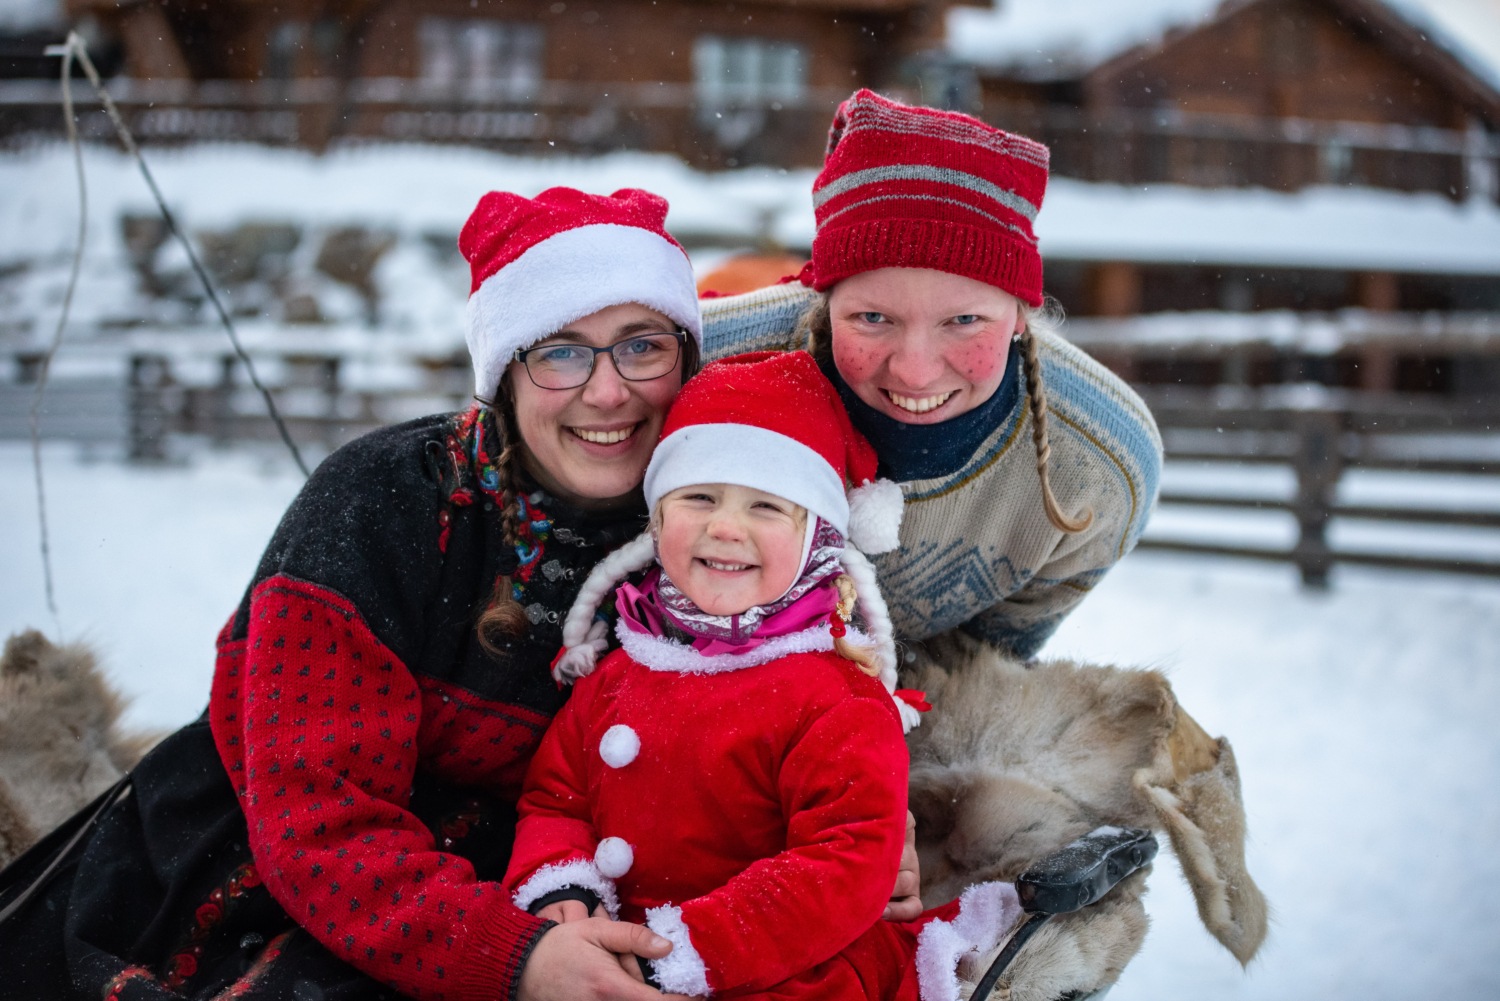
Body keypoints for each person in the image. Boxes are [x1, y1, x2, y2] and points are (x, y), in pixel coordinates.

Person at [0, 188, 919, 1001]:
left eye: (643, 345)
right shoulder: (381, 500)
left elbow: (789, 707)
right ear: (506, 370)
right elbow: (317, 817)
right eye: (561, 352)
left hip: (563, 896)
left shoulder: (711, 521)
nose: (608, 391)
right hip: (301, 880)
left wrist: (874, 833)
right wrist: (514, 958)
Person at [504, 351, 1021, 1001]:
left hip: (782, 962)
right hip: (613, 952)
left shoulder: (833, 697)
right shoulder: (620, 672)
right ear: (656, 521)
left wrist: (686, 950)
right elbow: (557, 798)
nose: (725, 526)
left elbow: (845, 860)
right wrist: (564, 884)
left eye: (767, 506)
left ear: (819, 541)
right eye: (698, 497)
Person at [699, 90, 1163, 658]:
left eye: (964, 321)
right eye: (872, 318)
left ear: (1020, 315)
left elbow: (978, 677)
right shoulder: (701, 363)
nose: (915, 373)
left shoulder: (1100, 466)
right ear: (823, 297)